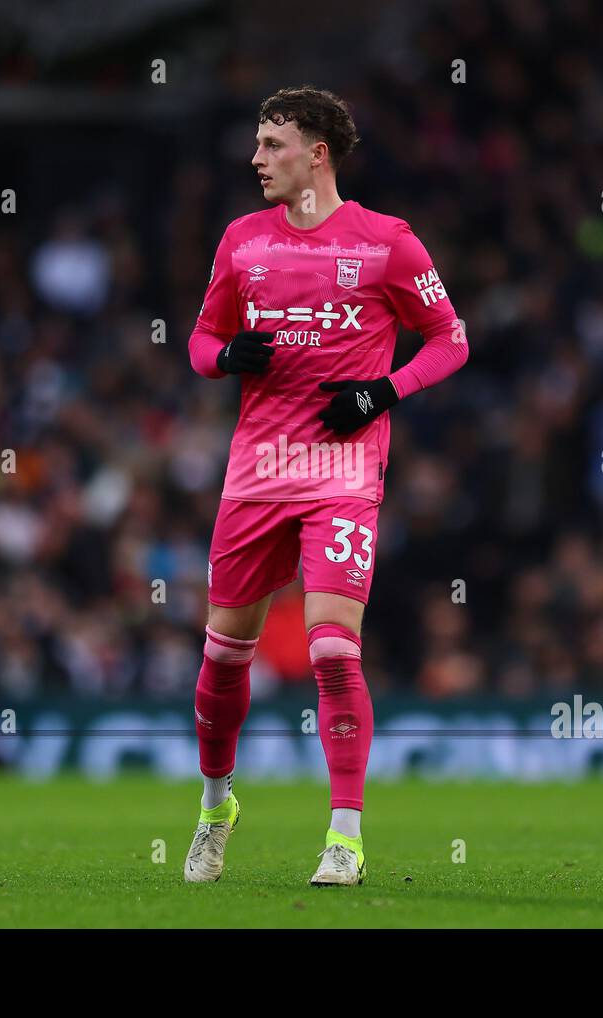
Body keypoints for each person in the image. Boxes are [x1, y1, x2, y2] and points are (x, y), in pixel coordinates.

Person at [183, 85, 469, 885]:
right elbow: (202, 340)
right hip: (257, 470)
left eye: (272, 144)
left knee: (335, 650)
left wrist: (383, 392)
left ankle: (345, 836)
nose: (256, 158)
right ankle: (215, 807)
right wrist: (227, 357)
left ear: (318, 152)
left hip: (343, 471)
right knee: (223, 658)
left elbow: (451, 340)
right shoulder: (242, 242)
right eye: (257, 143)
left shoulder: (387, 243)